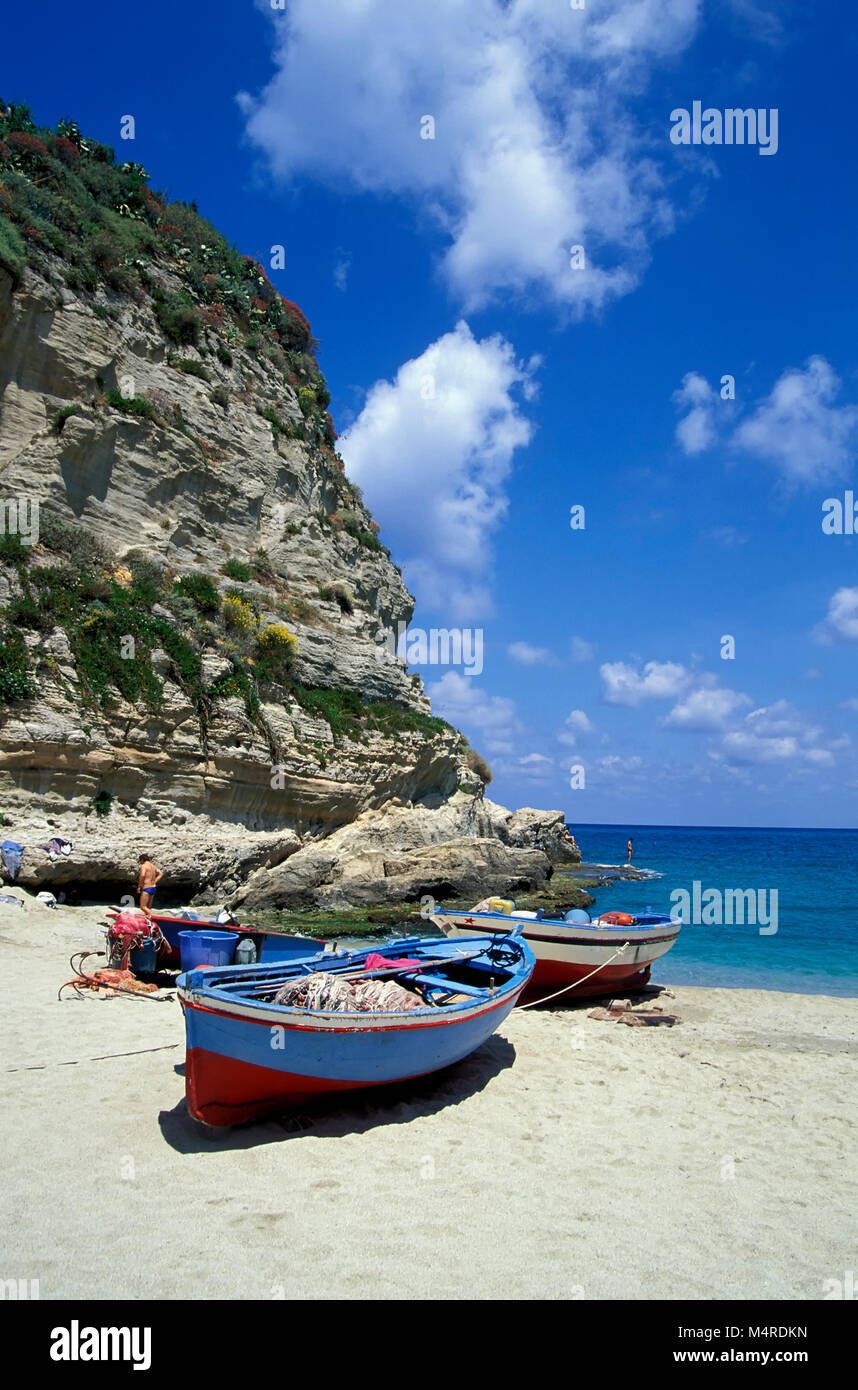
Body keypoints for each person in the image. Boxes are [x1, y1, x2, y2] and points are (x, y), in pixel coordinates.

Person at [137, 854, 163, 919]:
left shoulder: (144, 866)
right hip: (153, 888)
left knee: (143, 907)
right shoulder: (153, 866)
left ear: (142, 860)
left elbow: (142, 875)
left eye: (140, 861)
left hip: (147, 888)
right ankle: (148, 921)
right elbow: (160, 874)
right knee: (148, 908)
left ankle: (153, 918)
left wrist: (140, 886)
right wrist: (155, 881)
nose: (140, 863)